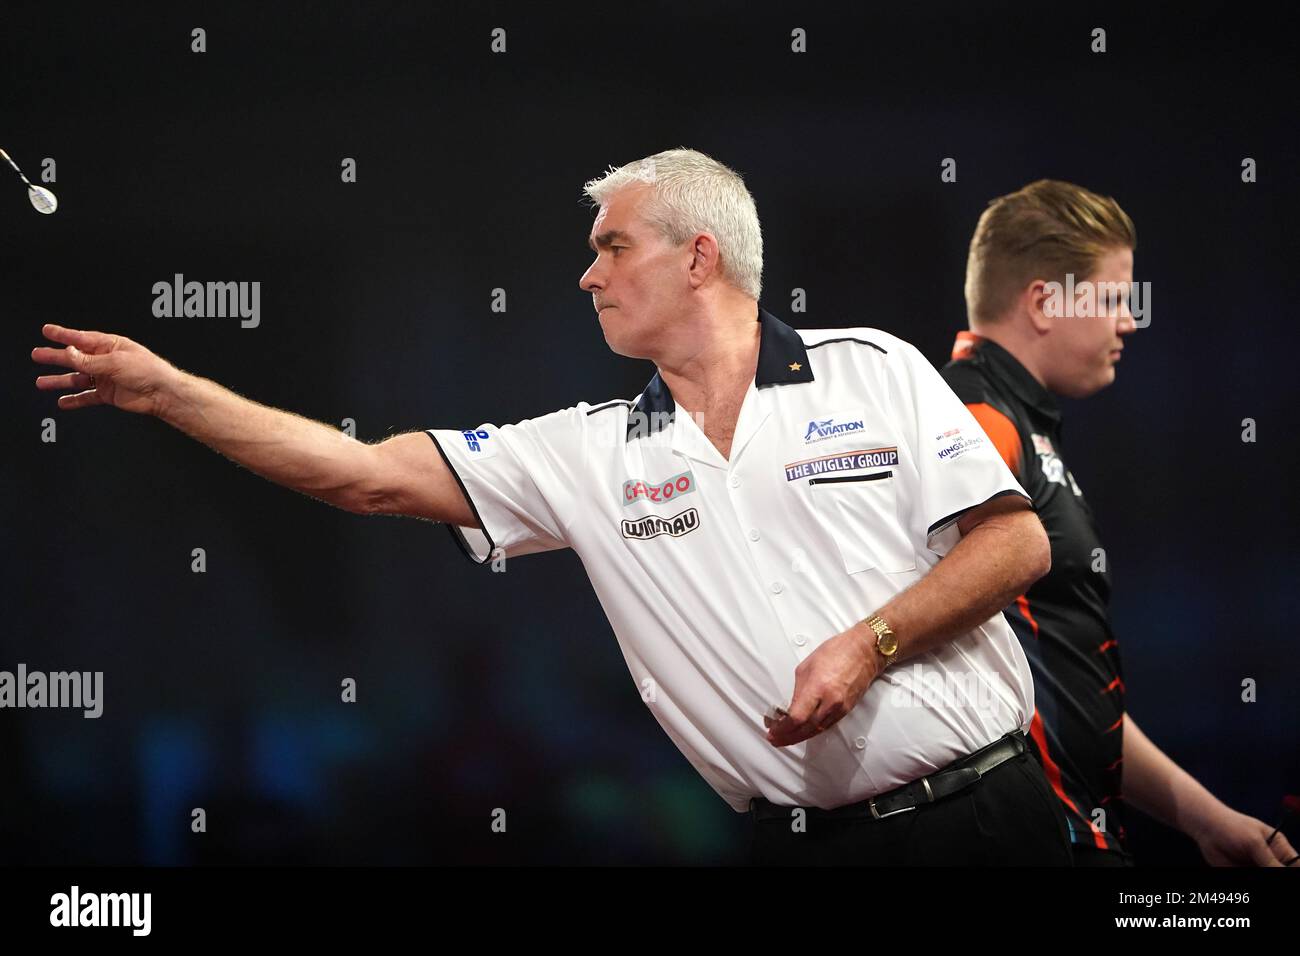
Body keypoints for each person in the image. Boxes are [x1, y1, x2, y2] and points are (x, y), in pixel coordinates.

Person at [33, 148, 1068, 866]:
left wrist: (869, 641)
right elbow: (367, 474)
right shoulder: (586, 449)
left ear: (699, 256)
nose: (586, 275)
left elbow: (1017, 542)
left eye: (612, 247)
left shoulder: (874, 369)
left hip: (989, 816)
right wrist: (169, 391)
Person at [942, 179, 1299, 867]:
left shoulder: (1019, 424)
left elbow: (1065, 680)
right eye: (1112, 300)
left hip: (1076, 832)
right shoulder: (977, 421)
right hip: (1033, 840)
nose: (1130, 322)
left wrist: (1209, 820)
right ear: (1045, 302)